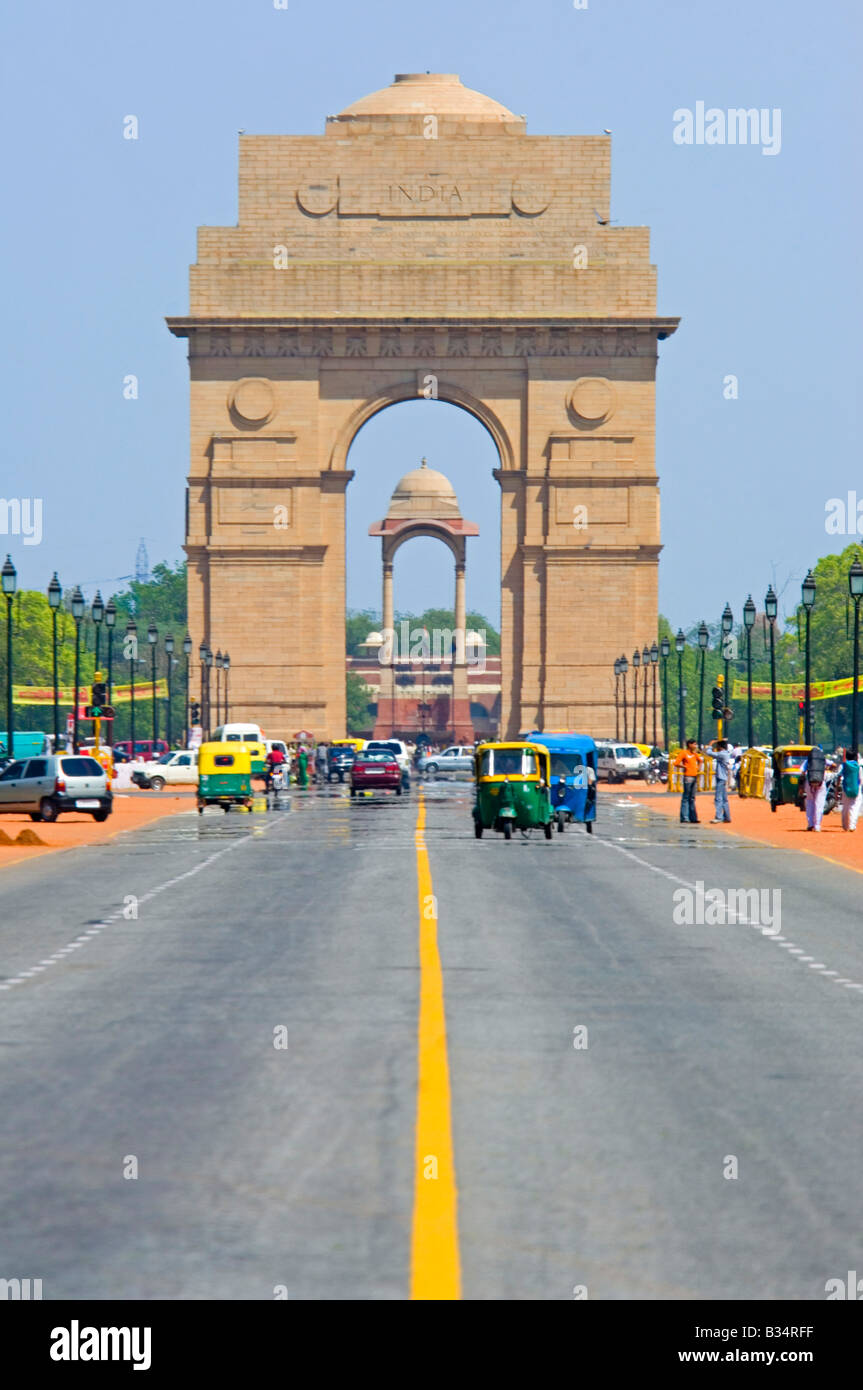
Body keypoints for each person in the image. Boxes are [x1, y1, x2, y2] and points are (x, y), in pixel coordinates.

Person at [672, 738, 703, 824]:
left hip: (694, 776)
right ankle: (684, 817)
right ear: (689, 745)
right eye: (694, 744)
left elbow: (701, 761)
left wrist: (698, 768)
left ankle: (693, 817)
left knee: (692, 798)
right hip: (688, 777)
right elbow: (676, 763)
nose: (695, 746)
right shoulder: (684, 753)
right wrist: (684, 767)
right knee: (686, 797)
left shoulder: (694, 754)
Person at [800, 744, 827, 831]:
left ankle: (810, 823)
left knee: (810, 803)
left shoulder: (808, 760)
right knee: (819, 803)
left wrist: (801, 785)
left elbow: (802, 771)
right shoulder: (823, 759)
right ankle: (817, 825)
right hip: (821, 782)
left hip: (809, 782)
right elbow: (833, 765)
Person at [705, 738, 732, 823]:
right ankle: (727, 817)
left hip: (721, 778)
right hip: (723, 778)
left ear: (720, 747)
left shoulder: (722, 754)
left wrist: (710, 744)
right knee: (724, 799)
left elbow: (709, 753)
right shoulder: (726, 754)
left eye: (717, 746)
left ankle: (719, 817)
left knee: (718, 798)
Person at [840, 747, 862, 831]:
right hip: (856, 788)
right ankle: (852, 825)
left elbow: (839, 775)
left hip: (846, 788)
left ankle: (845, 826)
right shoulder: (858, 766)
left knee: (845, 807)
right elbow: (861, 779)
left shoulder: (845, 765)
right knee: (854, 807)